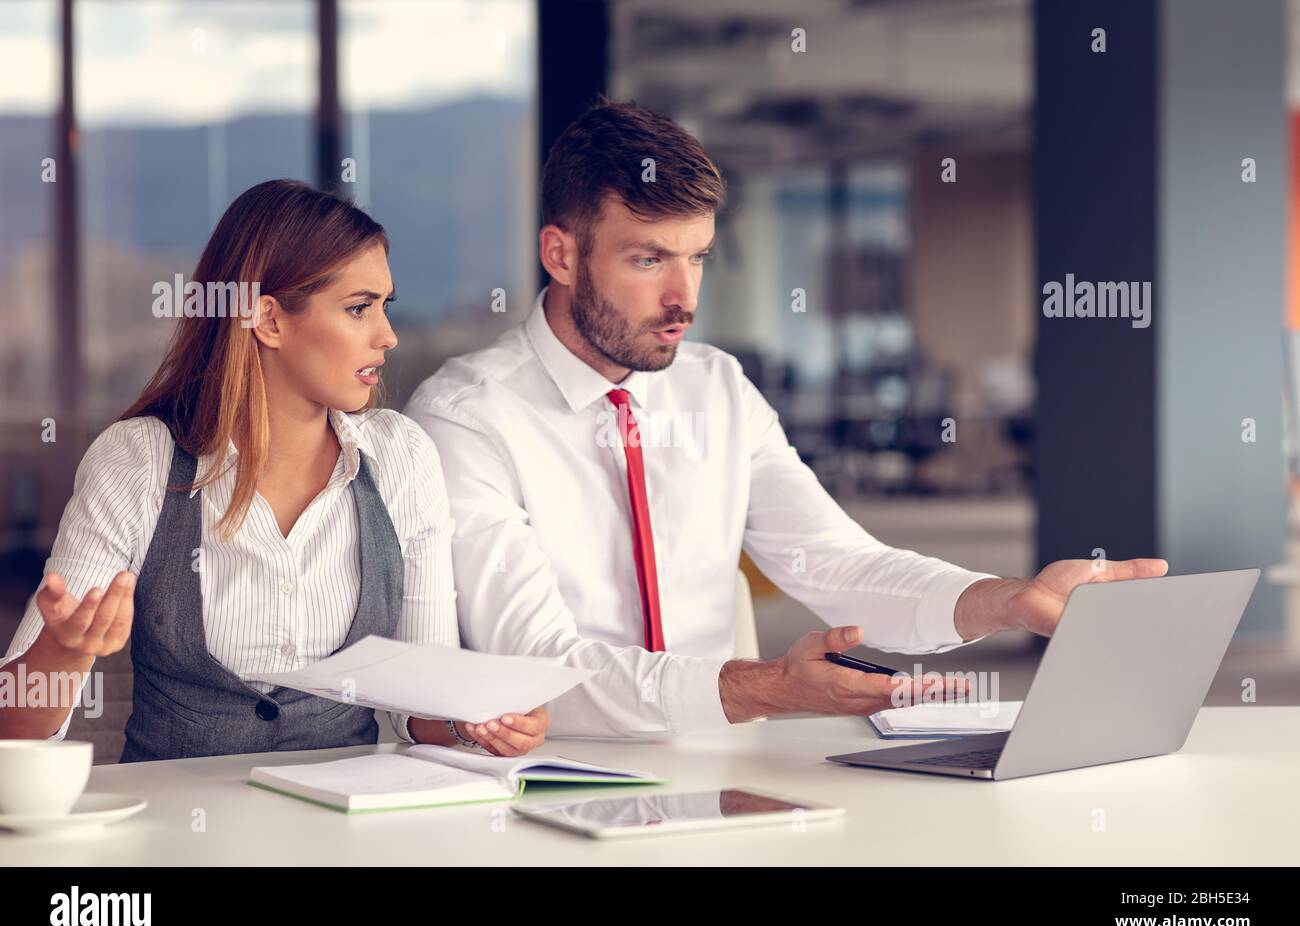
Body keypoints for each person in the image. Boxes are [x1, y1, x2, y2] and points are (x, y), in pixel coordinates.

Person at [403, 100, 1168, 737]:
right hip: (556, 779)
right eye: (649, 260)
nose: (684, 298)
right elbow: (539, 667)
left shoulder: (717, 388)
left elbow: (834, 562)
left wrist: (1007, 599)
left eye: (698, 257)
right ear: (561, 255)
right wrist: (768, 687)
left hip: (727, 770)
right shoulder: (468, 419)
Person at [0, 180, 548, 759]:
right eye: (359, 308)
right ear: (268, 320)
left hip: (347, 826)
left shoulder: (401, 458)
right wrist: (64, 648)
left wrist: (475, 723)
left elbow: (420, 702)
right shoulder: (138, 461)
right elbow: (12, 727)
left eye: (384, 306)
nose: (387, 336)